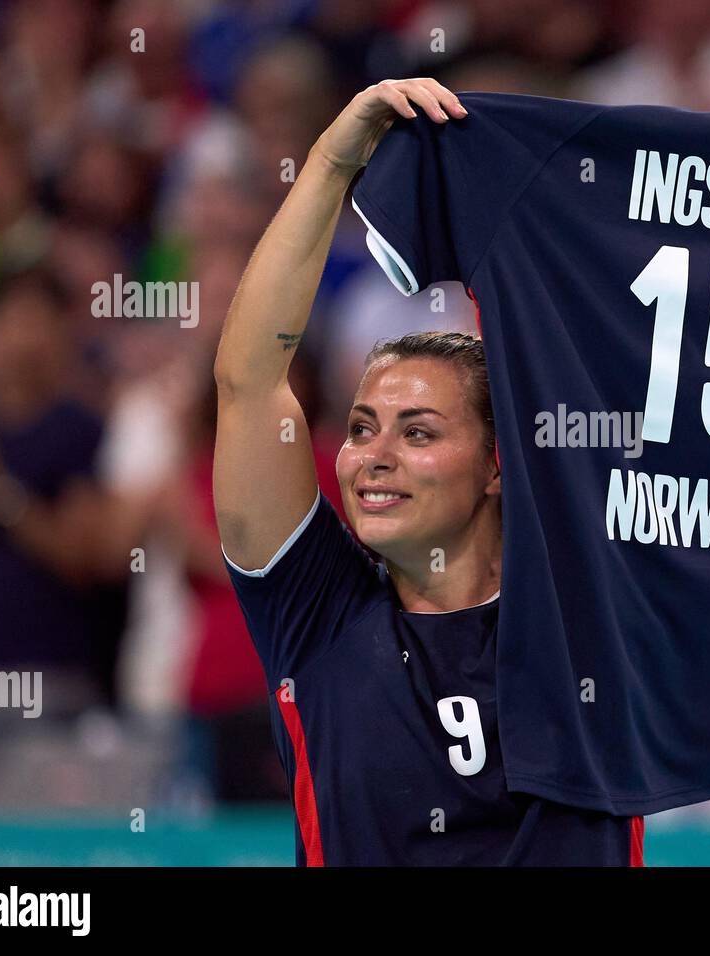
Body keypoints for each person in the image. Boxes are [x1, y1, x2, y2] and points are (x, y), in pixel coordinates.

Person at [212, 77, 641, 865]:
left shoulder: (589, 609)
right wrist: (332, 162)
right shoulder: (316, 612)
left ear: (498, 466)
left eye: (418, 432)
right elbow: (249, 384)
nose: (375, 454)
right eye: (362, 428)